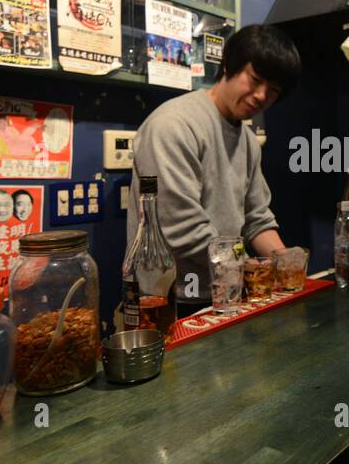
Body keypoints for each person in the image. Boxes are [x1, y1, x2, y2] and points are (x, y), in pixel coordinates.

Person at [125, 24, 301, 317]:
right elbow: (181, 228)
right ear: (228, 66)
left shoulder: (247, 141)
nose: (261, 96)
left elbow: (256, 218)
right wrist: (249, 266)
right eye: (255, 80)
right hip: (168, 298)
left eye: (273, 91)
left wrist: (286, 262)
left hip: (225, 292)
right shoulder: (174, 125)